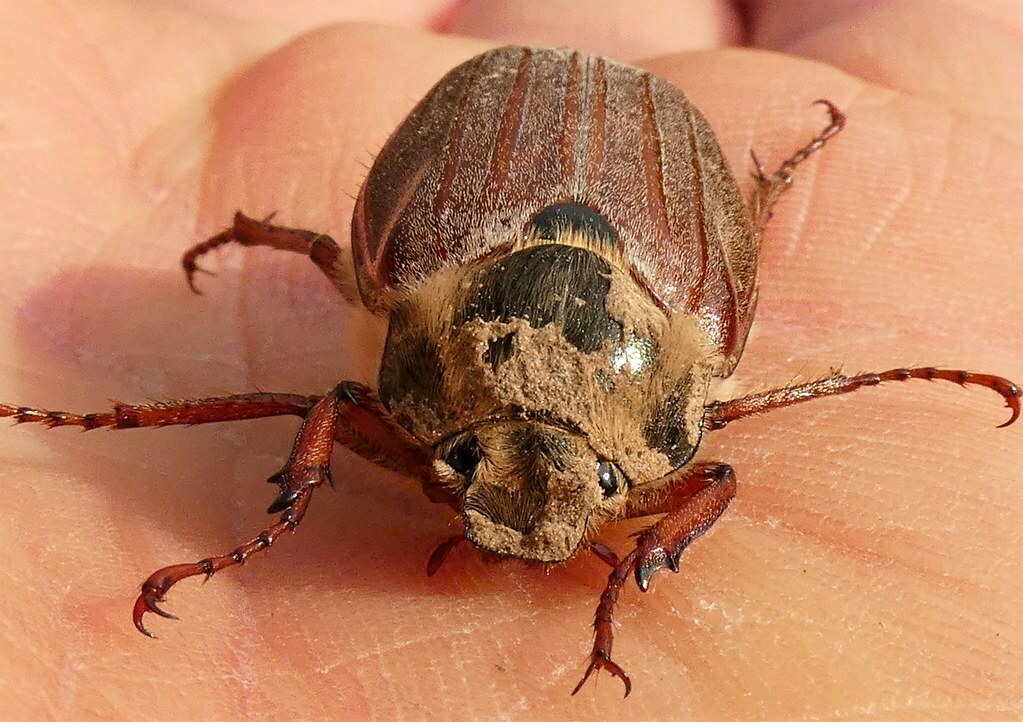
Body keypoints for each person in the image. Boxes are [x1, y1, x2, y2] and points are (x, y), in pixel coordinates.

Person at [1, 1, 1020, 718]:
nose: (529, 512)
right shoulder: (668, 368)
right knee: (333, 325)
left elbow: (717, 474)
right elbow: (327, 400)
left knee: (326, 354)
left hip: (519, 125)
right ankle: (116, 426)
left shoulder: (685, 368)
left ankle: (774, 188)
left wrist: (637, 576)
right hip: (562, 138)